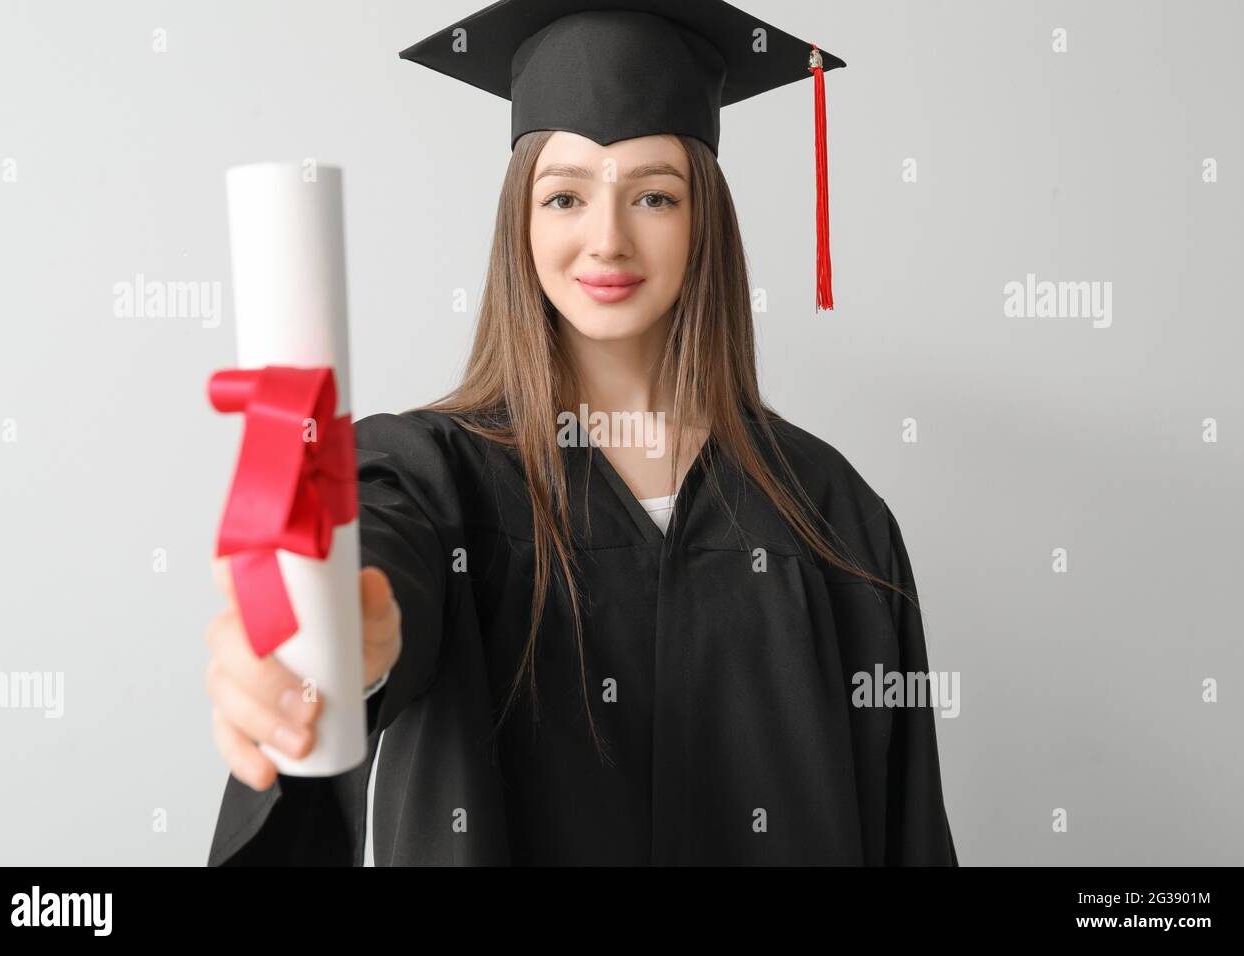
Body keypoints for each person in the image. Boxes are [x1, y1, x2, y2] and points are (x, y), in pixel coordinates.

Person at [204, 0, 958, 866]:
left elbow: (908, 830)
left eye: (654, 195)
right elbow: (377, 565)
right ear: (520, 223)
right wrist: (342, 644)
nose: (607, 238)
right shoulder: (428, 477)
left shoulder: (831, 513)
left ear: (703, 219)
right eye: (564, 195)